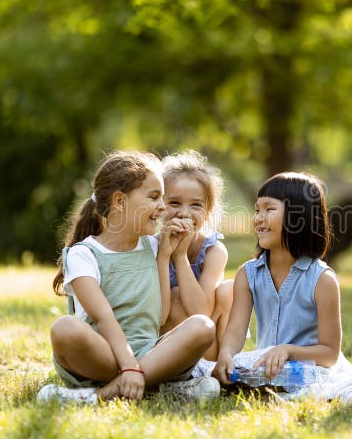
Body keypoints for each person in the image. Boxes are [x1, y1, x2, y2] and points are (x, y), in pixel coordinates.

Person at [37, 151, 220, 404]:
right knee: (64, 328)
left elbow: (162, 315)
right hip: (102, 353)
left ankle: (102, 394)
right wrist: (130, 367)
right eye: (154, 197)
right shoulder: (83, 254)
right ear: (120, 201)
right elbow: (103, 318)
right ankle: (154, 384)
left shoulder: (154, 247)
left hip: (147, 350)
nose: (163, 207)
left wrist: (169, 254)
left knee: (203, 326)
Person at [212, 172, 352, 402]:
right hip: (267, 369)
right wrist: (227, 353)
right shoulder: (247, 274)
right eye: (257, 209)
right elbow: (235, 331)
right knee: (210, 369)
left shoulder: (322, 279)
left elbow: (330, 354)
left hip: (311, 368)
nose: (259, 218)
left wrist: (288, 351)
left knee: (326, 387)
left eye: (269, 209)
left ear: (299, 217)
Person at [159, 150, 233, 361]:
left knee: (229, 290)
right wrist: (165, 256)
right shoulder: (152, 247)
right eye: (174, 203)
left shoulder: (213, 251)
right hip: (165, 338)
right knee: (174, 295)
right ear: (160, 206)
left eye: (196, 205)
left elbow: (201, 313)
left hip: (205, 344)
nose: (184, 213)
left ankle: (221, 365)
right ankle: (172, 369)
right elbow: (159, 316)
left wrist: (180, 256)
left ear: (208, 210)